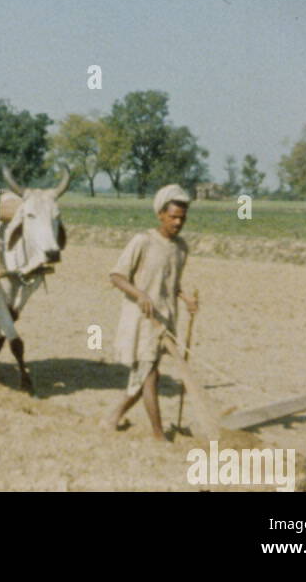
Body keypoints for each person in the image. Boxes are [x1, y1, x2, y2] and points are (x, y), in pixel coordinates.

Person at [105, 184, 198, 441]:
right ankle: (158, 434)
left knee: (145, 373)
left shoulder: (181, 248)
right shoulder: (143, 242)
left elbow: (171, 281)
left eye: (182, 218)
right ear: (160, 214)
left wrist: (185, 297)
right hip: (141, 319)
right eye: (173, 217)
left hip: (166, 320)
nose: (178, 222)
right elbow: (116, 275)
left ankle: (113, 416)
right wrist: (140, 294)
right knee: (150, 375)